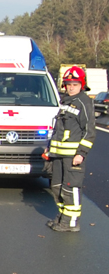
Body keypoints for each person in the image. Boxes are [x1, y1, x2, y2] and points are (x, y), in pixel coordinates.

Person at [44, 66, 96, 232]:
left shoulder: (84, 103)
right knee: (56, 186)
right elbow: (58, 129)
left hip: (73, 156)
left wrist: (81, 153)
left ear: (82, 85)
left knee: (70, 187)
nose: (71, 87)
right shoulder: (65, 102)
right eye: (68, 84)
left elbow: (90, 132)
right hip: (58, 154)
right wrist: (49, 150)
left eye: (75, 84)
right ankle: (63, 216)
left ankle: (71, 222)